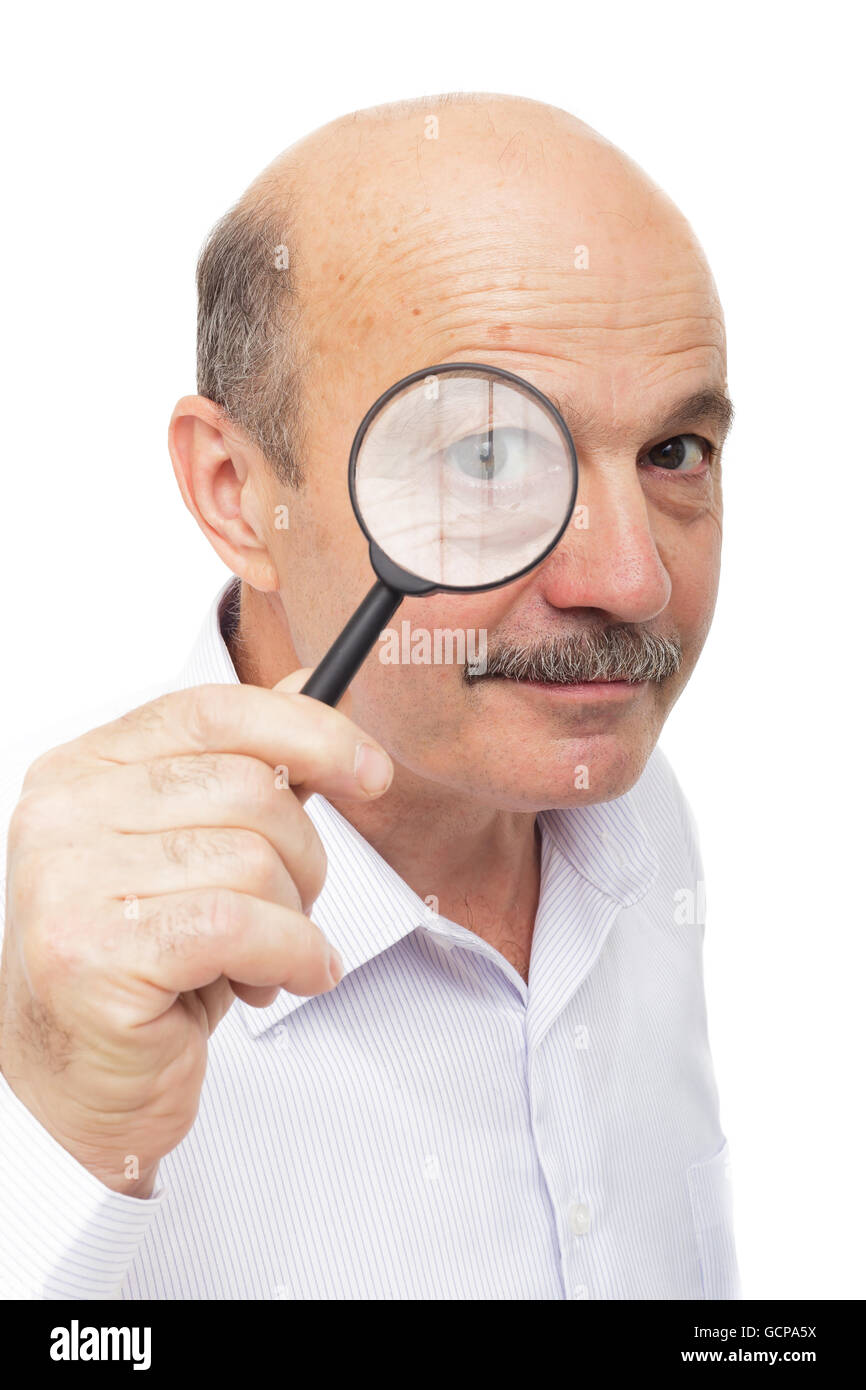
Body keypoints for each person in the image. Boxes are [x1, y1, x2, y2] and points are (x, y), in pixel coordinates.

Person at [0, 92, 738, 1300]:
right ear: (240, 493)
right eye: (487, 456)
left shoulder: (640, 822)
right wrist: (47, 1142)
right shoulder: (43, 959)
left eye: (672, 453)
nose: (629, 579)